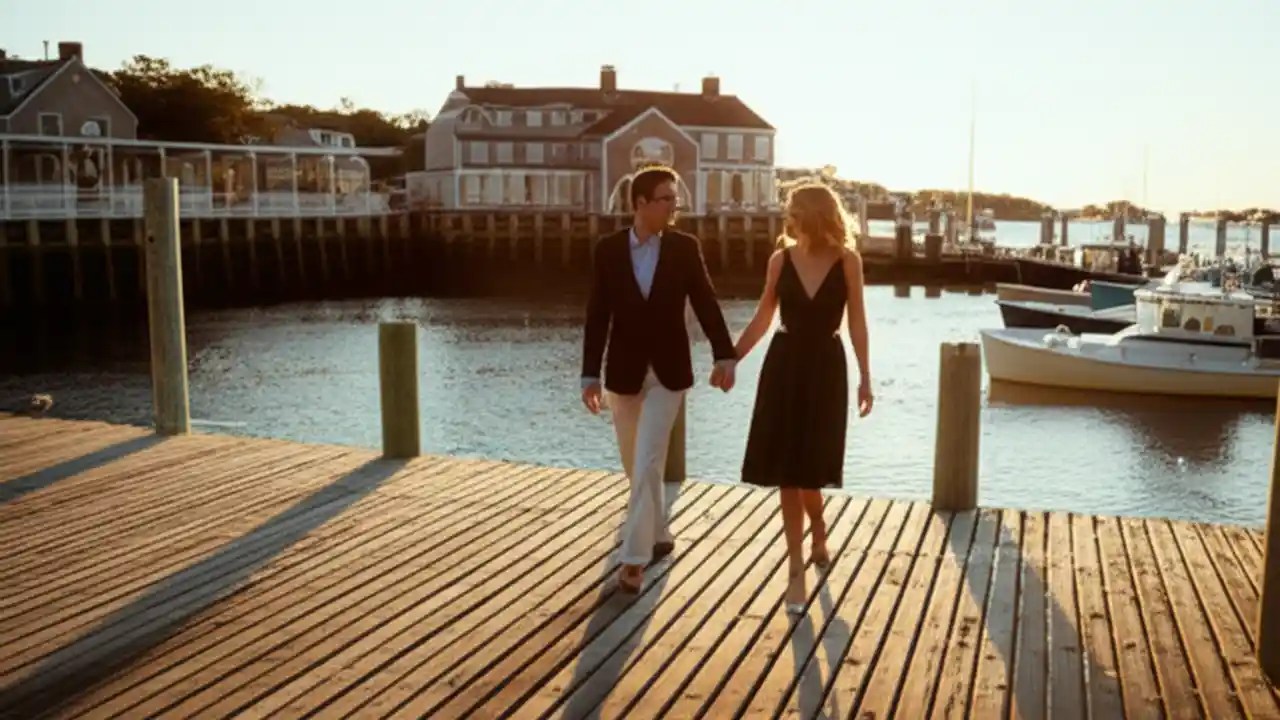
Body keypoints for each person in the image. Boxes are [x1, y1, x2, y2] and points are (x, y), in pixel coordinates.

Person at [580, 165, 738, 594]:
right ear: (641, 204)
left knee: (650, 458)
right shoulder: (608, 250)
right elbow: (598, 315)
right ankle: (661, 533)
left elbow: (705, 300)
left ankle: (632, 560)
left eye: (675, 199)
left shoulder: (685, 248)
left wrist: (725, 354)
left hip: (670, 373)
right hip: (623, 373)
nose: (674, 206)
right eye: (666, 198)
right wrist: (589, 374)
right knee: (637, 466)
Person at [732, 182, 873, 614]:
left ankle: (819, 526)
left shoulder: (848, 262)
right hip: (785, 365)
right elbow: (763, 315)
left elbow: (858, 325)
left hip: (826, 368)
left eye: (792, 209)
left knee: (812, 471)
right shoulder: (780, 260)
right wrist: (731, 357)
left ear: (806, 214)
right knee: (787, 471)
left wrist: (866, 377)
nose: (787, 216)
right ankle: (795, 569)